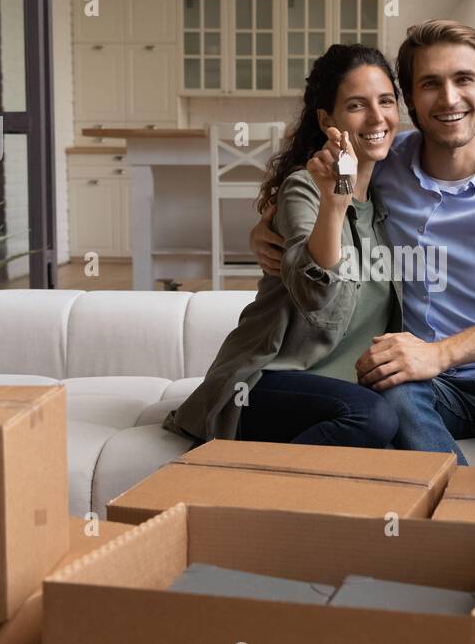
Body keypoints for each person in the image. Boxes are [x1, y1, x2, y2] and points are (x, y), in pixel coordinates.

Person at [251, 20, 475, 467]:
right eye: (430, 84)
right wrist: (265, 227)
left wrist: (442, 353)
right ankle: (463, 509)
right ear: (410, 100)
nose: (449, 98)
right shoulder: (384, 161)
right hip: (428, 391)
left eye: (463, 79)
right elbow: (319, 191)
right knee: (388, 390)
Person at [165, 44, 404, 448]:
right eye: (357, 106)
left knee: (394, 414)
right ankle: (257, 493)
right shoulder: (305, 190)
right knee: (373, 417)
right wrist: (335, 202)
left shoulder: (390, 196)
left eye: (386, 101)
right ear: (328, 120)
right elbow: (316, 295)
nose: (377, 117)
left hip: (342, 393)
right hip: (269, 382)